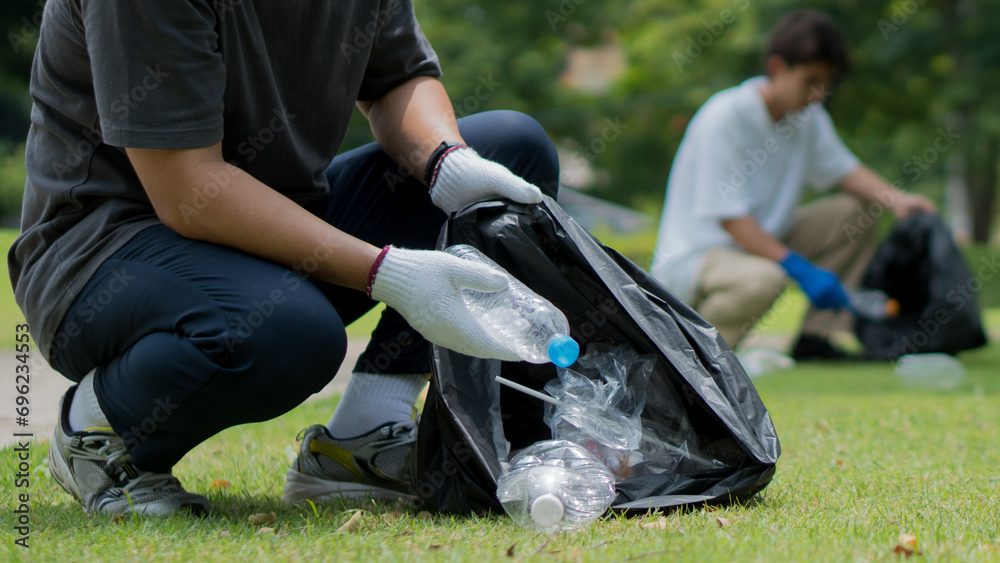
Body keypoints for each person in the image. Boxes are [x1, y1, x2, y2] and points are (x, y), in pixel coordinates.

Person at [9, 1, 559, 515]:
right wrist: (389, 274)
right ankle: (98, 433)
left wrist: (447, 164)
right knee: (291, 333)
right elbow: (187, 191)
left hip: (264, 226)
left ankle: (362, 439)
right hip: (103, 253)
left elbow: (396, 79)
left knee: (513, 153)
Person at [650, 9, 935, 356]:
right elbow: (731, 220)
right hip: (700, 257)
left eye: (826, 83)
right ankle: (693, 355)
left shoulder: (807, 118)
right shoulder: (724, 117)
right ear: (776, 68)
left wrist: (897, 201)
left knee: (857, 210)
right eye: (811, 81)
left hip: (764, 242)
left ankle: (816, 340)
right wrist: (797, 267)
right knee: (764, 279)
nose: (819, 93)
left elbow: (843, 170)